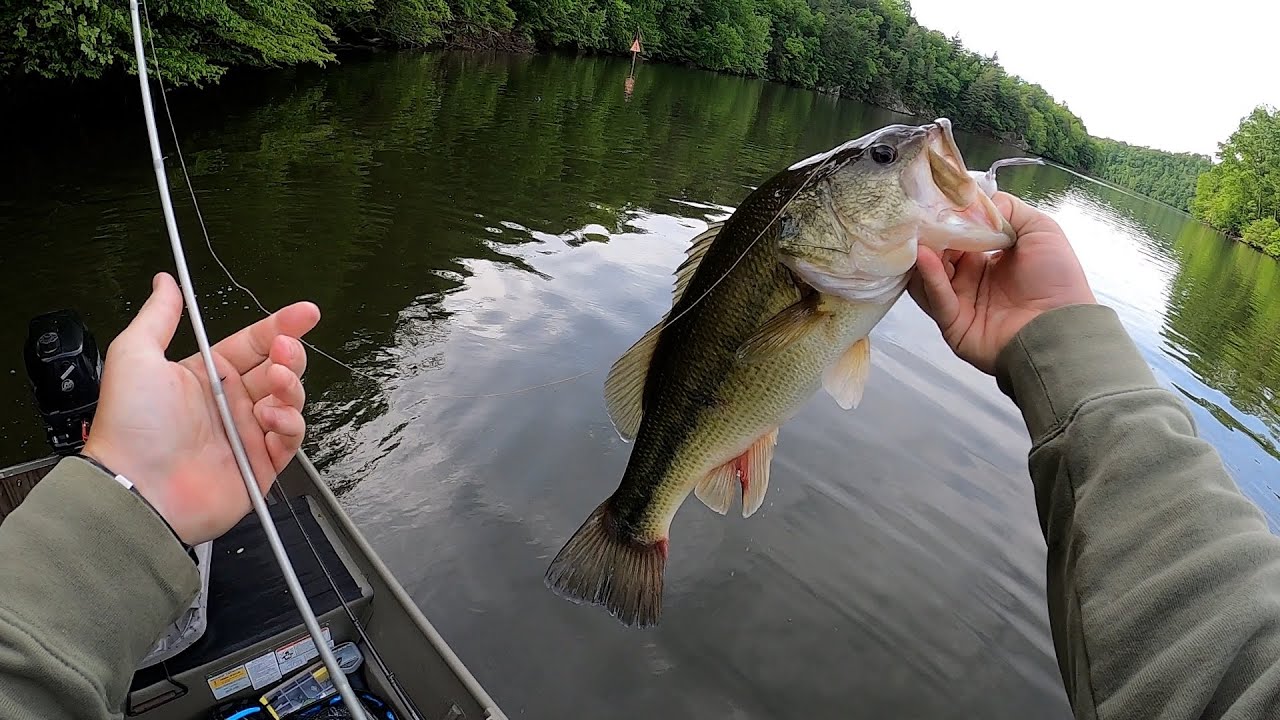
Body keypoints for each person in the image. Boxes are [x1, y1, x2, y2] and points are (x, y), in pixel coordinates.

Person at [0, 192, 1276, 719]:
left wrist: (124, 505)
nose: (916, 169)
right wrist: (1064, 348)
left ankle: (638, 521)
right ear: (830, 219)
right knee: (683, 439)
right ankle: (638, 523)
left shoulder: (832, 281)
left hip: (736, 386)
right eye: (886, 169)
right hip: (725, 392)